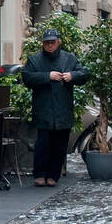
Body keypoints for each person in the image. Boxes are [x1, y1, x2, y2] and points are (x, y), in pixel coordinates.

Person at [21, 27, 89, 186]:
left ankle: (53, 175)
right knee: (42, 144)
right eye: (46, 43)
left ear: (59, 42)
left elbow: (84, 73)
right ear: (43, 44)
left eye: (52, 42)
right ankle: (39, 174)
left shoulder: (69, 58)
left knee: (60, 145)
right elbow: (27, 78)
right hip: (43, 109)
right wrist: (47, 76)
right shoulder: (35, 60)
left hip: (63, 109)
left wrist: (72, 75)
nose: (49, 45)